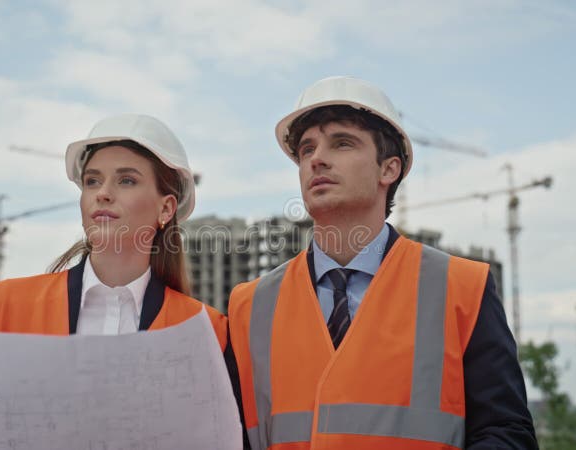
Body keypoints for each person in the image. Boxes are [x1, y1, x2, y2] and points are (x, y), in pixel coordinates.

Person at [0, 114, 231, 450]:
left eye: (126, 180)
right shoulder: (8, 304)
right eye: (92, 181)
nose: (103, 192)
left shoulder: (207, 329)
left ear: (166, 209)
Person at [227, 77, 538, 449]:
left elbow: (507, 433)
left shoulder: (463, 288)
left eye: (341, 143)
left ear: (388, 170)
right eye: (306, 149)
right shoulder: (250, 306)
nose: (316, 159)